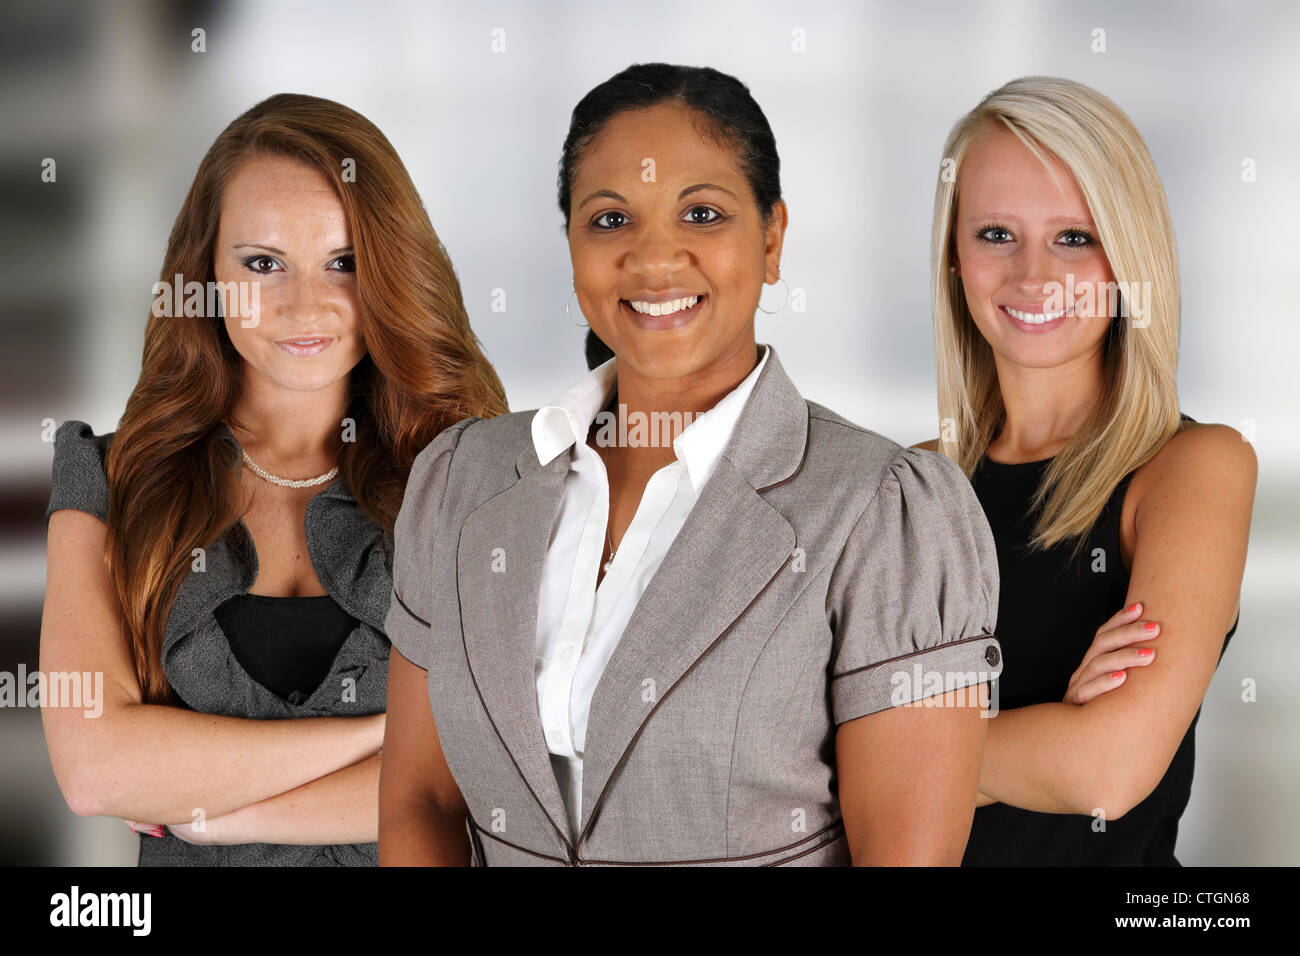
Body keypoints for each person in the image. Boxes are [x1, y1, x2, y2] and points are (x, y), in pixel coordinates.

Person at [379, 63, 1003, 866]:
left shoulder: (885, 516)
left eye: (702, 214)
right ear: (569, 244)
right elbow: (421, 801)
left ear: (772, 240)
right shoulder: (461, 480)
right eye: (610, 221)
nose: (654, 258)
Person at [40, 93, 507, 865]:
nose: (304, 305)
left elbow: (496, 772)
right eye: (262, 264)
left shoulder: (474, 474)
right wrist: (385, 733)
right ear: (205, 273)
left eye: (344, 263)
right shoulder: (106, 477)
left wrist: (217, 813)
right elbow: (95, 770)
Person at [917, 76, 1256, 865]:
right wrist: (1044, 738)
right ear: (954, 259)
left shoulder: (1192, 468)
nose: (1033, 276)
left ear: (1127, 257)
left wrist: (910, 746)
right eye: (995, 234)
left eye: (1074, 237)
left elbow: (1107, 768)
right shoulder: (911, 485)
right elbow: (803, 767)